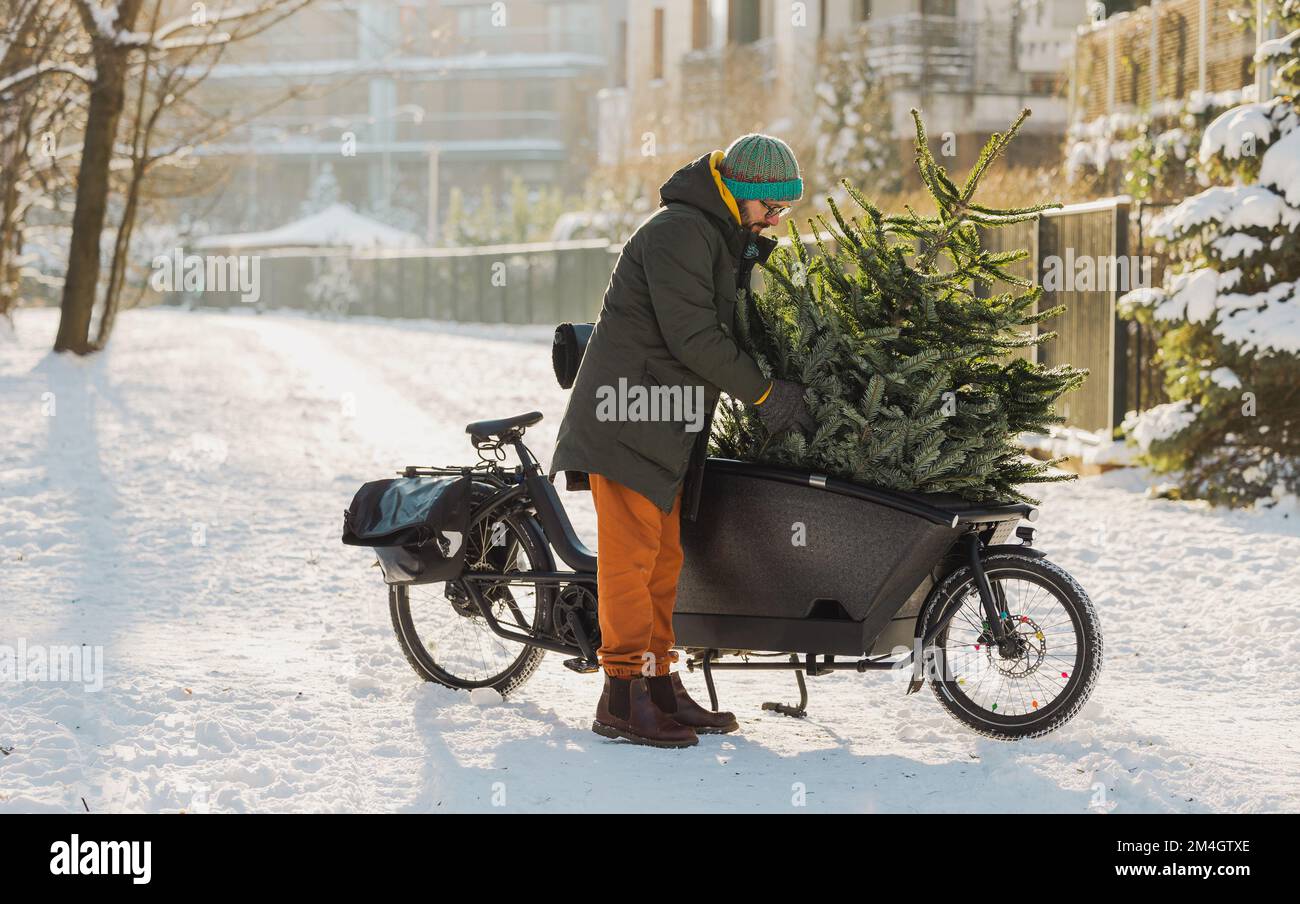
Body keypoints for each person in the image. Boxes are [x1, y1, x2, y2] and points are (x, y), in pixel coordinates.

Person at [549, 134, 815, 748]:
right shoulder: (680, 232)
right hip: (629, 419)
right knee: (630, 563)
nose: (776, 221)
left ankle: (659, 684)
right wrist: (768, 395)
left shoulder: (714, 235)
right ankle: (621, 697)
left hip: (662, 422)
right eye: (769, 208)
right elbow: (694, 336)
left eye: (783, 212)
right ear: (738, 194)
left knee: (664, 560)